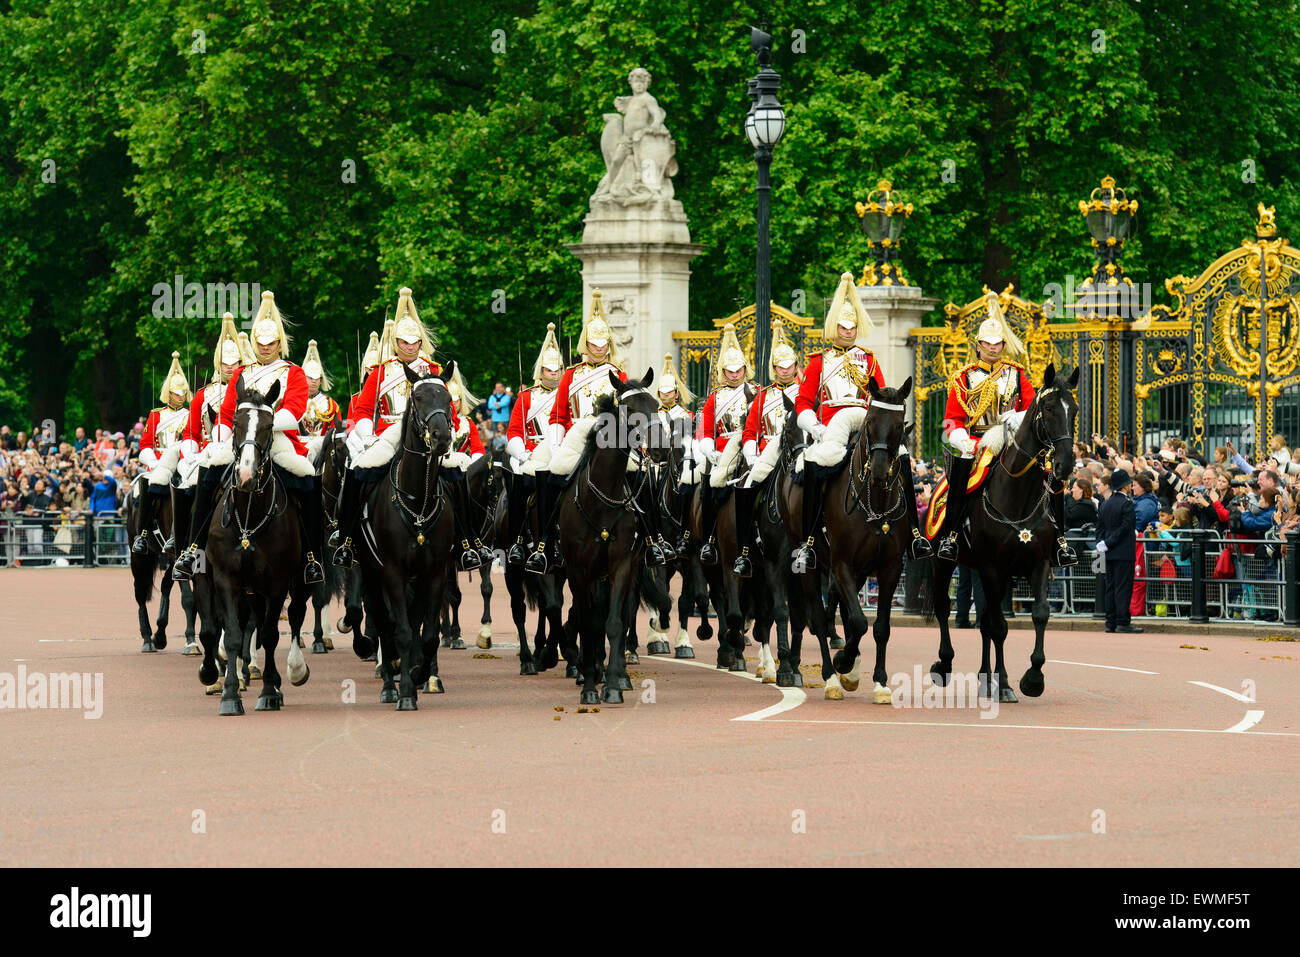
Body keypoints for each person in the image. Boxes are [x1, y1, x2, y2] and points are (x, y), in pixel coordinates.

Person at [174, 290, 323, 584]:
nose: (265, 348)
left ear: (279, 343)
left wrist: (262, 425)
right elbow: (227, 413)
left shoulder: (293, 373)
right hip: (242, 440)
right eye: (260, 343)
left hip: (277, 438)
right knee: (208, 471)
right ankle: (192, 550)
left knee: (307, 476)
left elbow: (294, 411)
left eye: (271, 344)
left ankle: (312, 557)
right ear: (254, 342)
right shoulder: (242, 373)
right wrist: (222, 438)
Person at [330, 288, 481, 571]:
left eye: (414, 343)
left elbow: (447, 408)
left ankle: (467, 542)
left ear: (420, 342)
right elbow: (363, 410)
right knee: (358, 469)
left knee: (456, 474)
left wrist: (448, 430)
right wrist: (368, 435)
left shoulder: (433, 369)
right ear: (396, 342)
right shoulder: (380, 372)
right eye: (404, 343)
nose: (410, 348)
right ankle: (346, 540)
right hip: (389, 434)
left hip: (427, 434)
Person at [793, 271, 931, 570]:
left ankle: (914, 534)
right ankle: (809, 542)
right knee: (816, 463)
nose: (848, 332)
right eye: (843, 327)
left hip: (867, 420)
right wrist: (814, 426)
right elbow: (803, 402)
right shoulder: (818, 361)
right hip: (832, 425)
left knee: (902, 457)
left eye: (852, 327)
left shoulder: (868, 359)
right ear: (834, 327)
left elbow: (879, 396)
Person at [937, 291, 1077, 567]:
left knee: (1052, 475)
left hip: (1013, 440)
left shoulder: (1016, 373)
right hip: (978, 444)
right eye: (988, 344)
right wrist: (964, 441)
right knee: (962, 474)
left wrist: (1016, 418)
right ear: (978, 346)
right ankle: (951, 536)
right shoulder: (963, 378)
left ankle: (1060, 541)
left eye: (998, 343)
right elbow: (953, 419)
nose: (994, 348)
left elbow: (1034, 407)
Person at [527, 289, 630, 574]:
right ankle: (545, 545)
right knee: (550, 474)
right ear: (586, 344)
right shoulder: (571, 374)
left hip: (609, 438)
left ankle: (651, 539)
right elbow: (559, 415)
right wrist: (556, 445)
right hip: (576, 439)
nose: (599, 349)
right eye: (594, 344)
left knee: (639, 475)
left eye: (603, 344)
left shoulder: (619, 374)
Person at [169, 314, 242, 573]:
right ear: (217, 363)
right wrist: (190, 454)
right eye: (225, 363)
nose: (230, 368)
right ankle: (185, 546)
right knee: (186, 483)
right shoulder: (202, 395)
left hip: (243, 449)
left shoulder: (248, 388)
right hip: (209, 451)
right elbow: (191, 432)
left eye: (234, 363)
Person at [732, 320, 801, 577]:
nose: (785, 371)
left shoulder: (806, 393)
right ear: (774, 369)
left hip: (799, 451)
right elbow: (750, 432)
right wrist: (752, 455)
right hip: (768, 453)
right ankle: (745, 552)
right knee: (747, 486)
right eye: (780, 367)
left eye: (789, 366)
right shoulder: (762, 396)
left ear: (796, 366)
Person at [694, 323, 754, 566]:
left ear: (745, 369)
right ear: (723, 372)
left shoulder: (757, 392)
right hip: (722, 452)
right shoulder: (714, 397)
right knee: (709, 484)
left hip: (749, 446)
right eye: (730, 371)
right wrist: (710, 450)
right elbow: (706, 432)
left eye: (739, 370)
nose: (735, 375)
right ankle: (709, 539)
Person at [504, 324, 563, 564]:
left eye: (558, 370)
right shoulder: (526, 396)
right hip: (531, 453)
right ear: (541, 371)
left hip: (561, 451)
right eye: (549, 370)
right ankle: (518, 540)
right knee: (519, 480)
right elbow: (514, 431)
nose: (555, 375)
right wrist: (523, 454)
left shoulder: (568, 395)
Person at [132, 352, 192, 554]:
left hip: (182, 463)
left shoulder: (191, 415)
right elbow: (145, 444)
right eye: (177, 393)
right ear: (169, 394)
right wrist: (154, 463)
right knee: (148, 489)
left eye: (184, 393)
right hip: (159, 462)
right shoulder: (156, 415)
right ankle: (142, 534)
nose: (181, 397)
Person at [653, 351, 697, 555]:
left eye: (669, 392)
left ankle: (687, 530)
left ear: (677, 394)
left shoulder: (687, 415)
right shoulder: (653, 416)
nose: (666, 395)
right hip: (657, 463)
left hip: (679, 463)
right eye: (662, 392)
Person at [1096, 467, 1142, 633]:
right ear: (1124, 486)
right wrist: (1108, 542)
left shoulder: (1105, 503)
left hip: (1108, 552)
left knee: (1110, 587)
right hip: (1122, 551)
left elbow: (1099, 527)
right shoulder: (1126, 503)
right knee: (1123, 587)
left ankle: (1110, 622)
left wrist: (1101, 543)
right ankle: (1122, 621)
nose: (1130, 486)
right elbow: (1125, 528)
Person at [298, 339, 342, 458]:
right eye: (310, 378)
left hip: (322, 448)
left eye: (317, 378)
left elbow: (337, 432)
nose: (314, 381)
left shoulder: (330, 404)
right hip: (296, 446)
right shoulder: (294, 401)